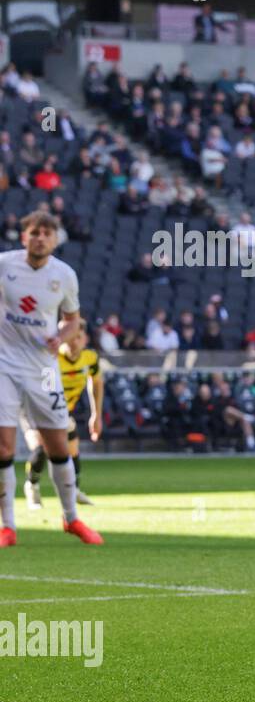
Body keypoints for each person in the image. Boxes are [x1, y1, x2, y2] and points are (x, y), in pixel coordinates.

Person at [0, 212, 103, 546]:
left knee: (58, 445)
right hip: (5, 363)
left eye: (46, 233)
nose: (39, 238)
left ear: (55, 239)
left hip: (44, 369)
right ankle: (8, 526)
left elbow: (72, 319)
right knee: (3, 446)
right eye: (34, 232)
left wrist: (61, 336)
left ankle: (71, 519)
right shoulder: (5, 265)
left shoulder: (64, 275)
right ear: (24, 236)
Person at [23, 321, 102, 509]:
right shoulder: (52, 358)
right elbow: (45, 391)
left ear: (86, 339)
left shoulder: (90, 358)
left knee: (72, 452)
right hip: (35, 407)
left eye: (78, 337)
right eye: (69, 337)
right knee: (42, 448)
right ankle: (32, 487)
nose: (74, 342)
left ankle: (73, 491)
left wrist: (96, 414)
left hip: (61, 412)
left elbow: (96, 383)